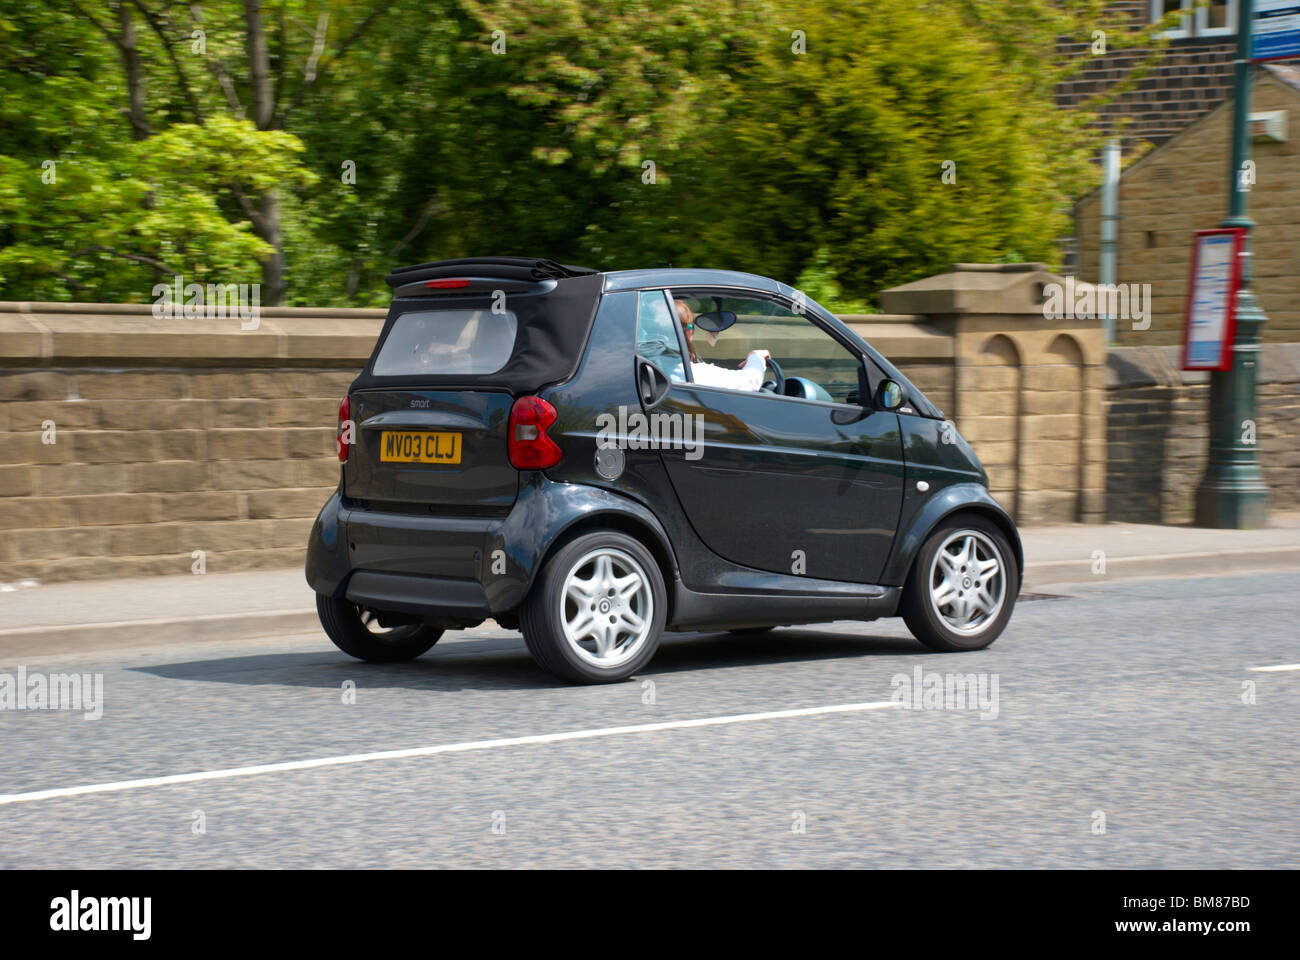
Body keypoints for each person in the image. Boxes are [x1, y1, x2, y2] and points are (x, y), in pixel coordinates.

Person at [674, 299, 770, 391]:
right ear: (688, 332)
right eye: (691, 326)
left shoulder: (663, 365)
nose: (692, 331)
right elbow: (749, 383)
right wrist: (756, 357)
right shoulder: (688, 372)